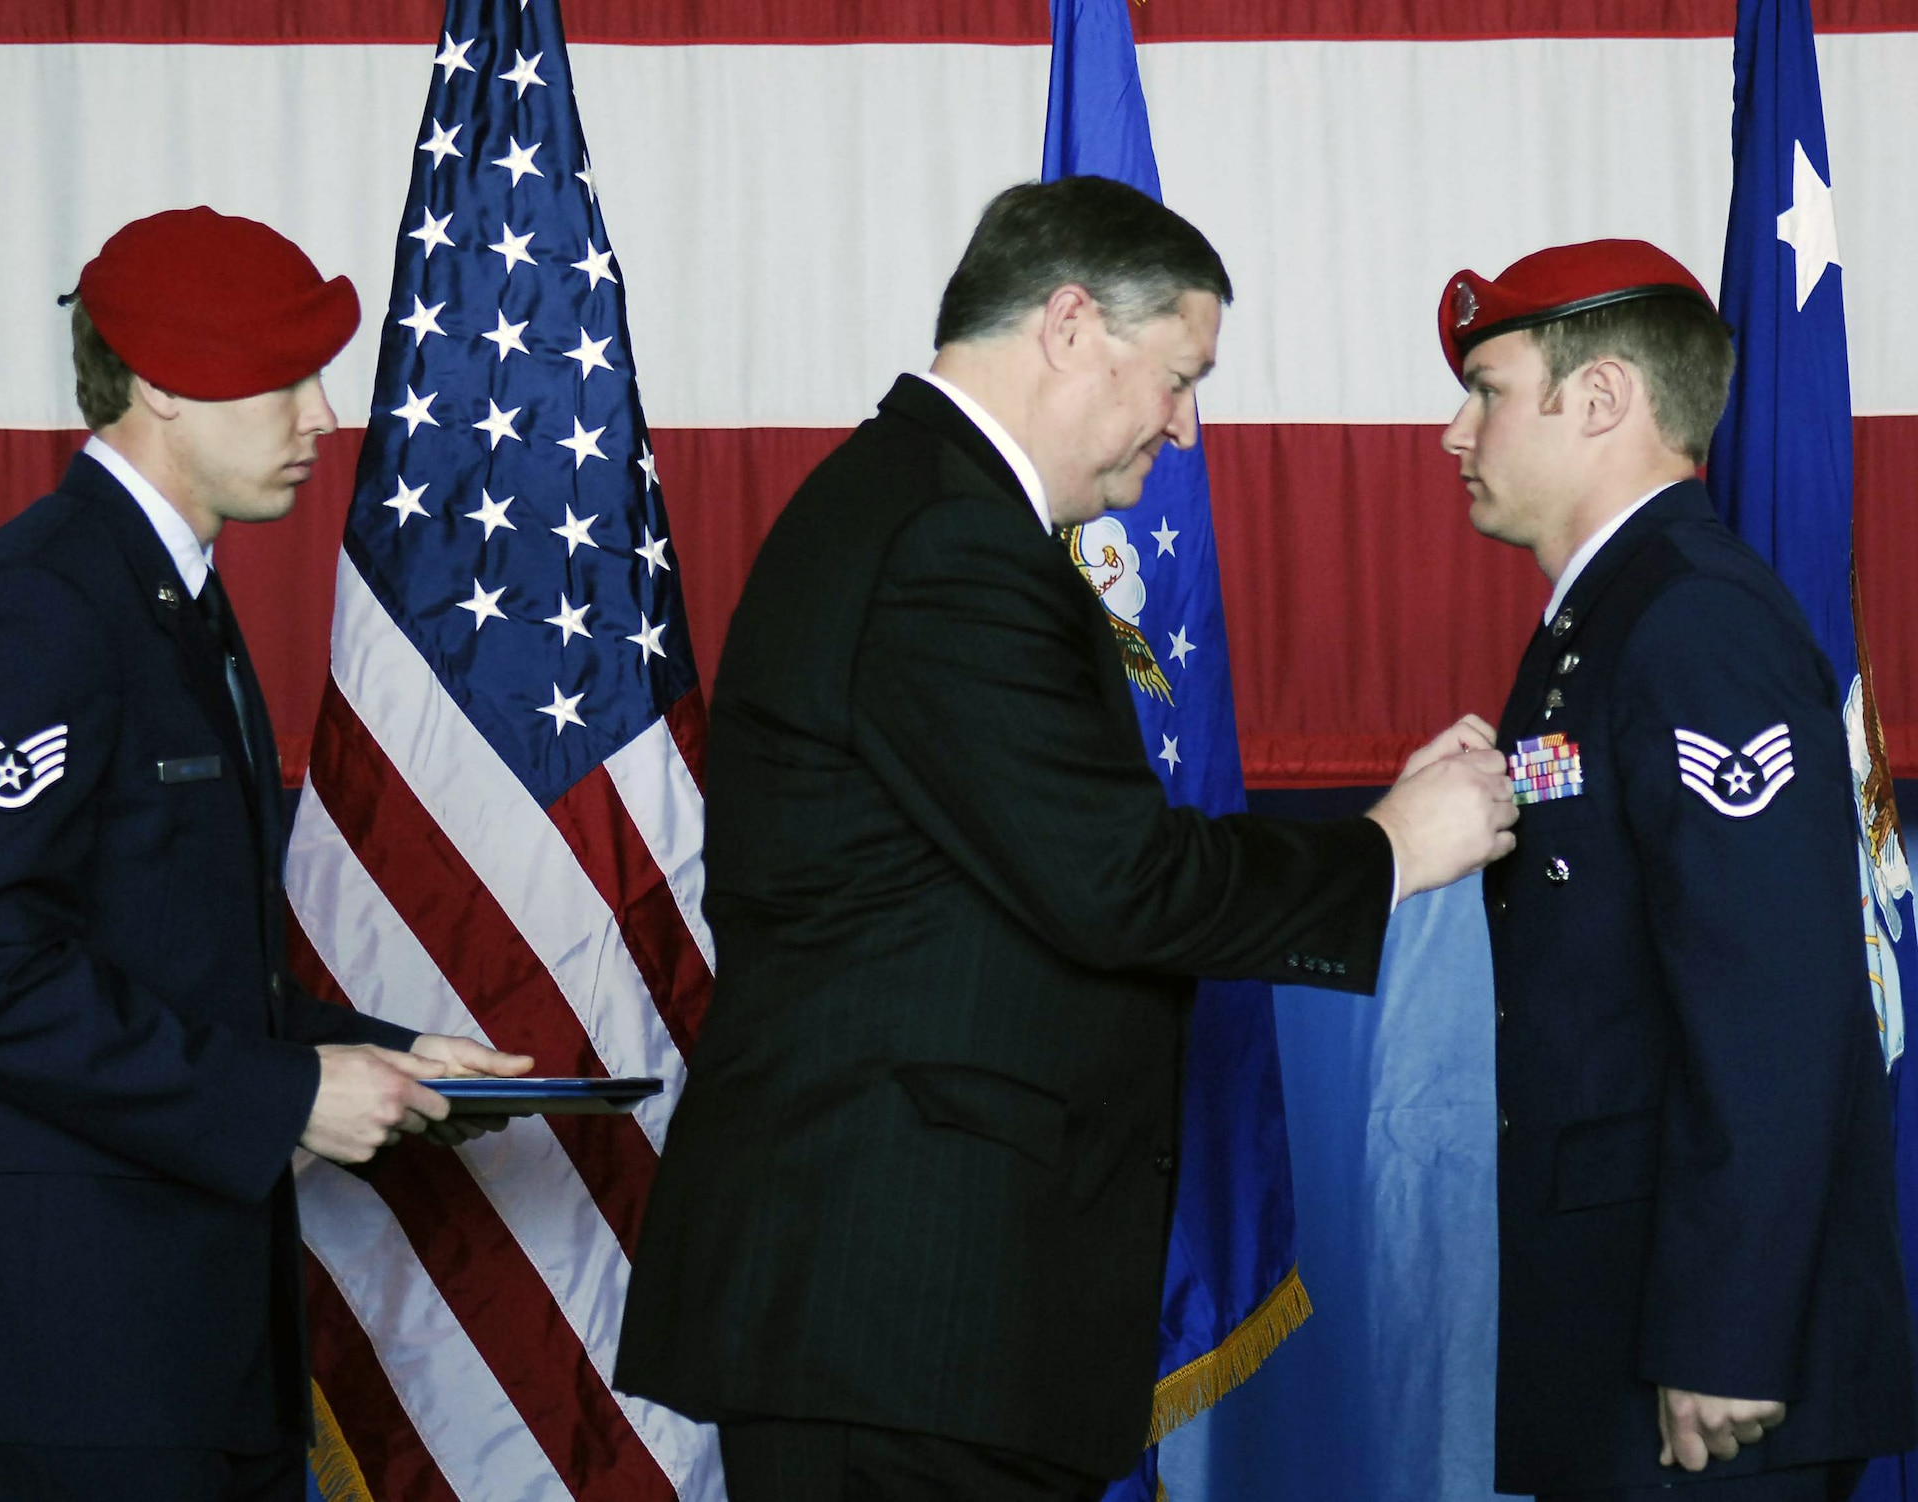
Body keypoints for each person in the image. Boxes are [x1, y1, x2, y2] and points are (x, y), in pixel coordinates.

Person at [614, 175, 1518, 1499]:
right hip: (904, 1316)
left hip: (919, 1324)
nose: (1188, 427)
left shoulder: (935, 510)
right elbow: (1114, 880)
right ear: (1072, 323)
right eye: (1180, 375)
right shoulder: (946, 539)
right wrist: (1388, 847)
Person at [0, 207, 532, 1502]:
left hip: (183, 1340)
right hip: (80, 1351)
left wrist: (371, 1052)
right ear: (156, 383)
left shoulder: (170, 598)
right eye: (283, 373)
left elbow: (170, 959)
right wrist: (280, 1097)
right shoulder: (43, 604)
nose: (320, 415)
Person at [1440, 239, 1917, 1501]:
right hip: (1627, 1323)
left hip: (1703, 1368)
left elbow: (1770, 998)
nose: (1452, 430)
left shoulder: (1690, 617)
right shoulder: (1598, 628)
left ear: (1597, 399)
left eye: (1484, 388)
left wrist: (1726, 1329)